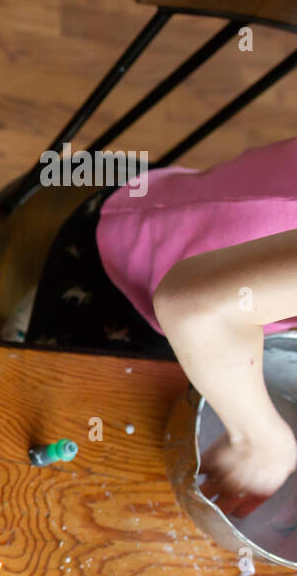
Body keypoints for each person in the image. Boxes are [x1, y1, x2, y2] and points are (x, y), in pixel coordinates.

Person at [25, 137, 297, 517]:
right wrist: (261, 444)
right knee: (70, 475)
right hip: (124, 271)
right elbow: (194, 308)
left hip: (225, 299)